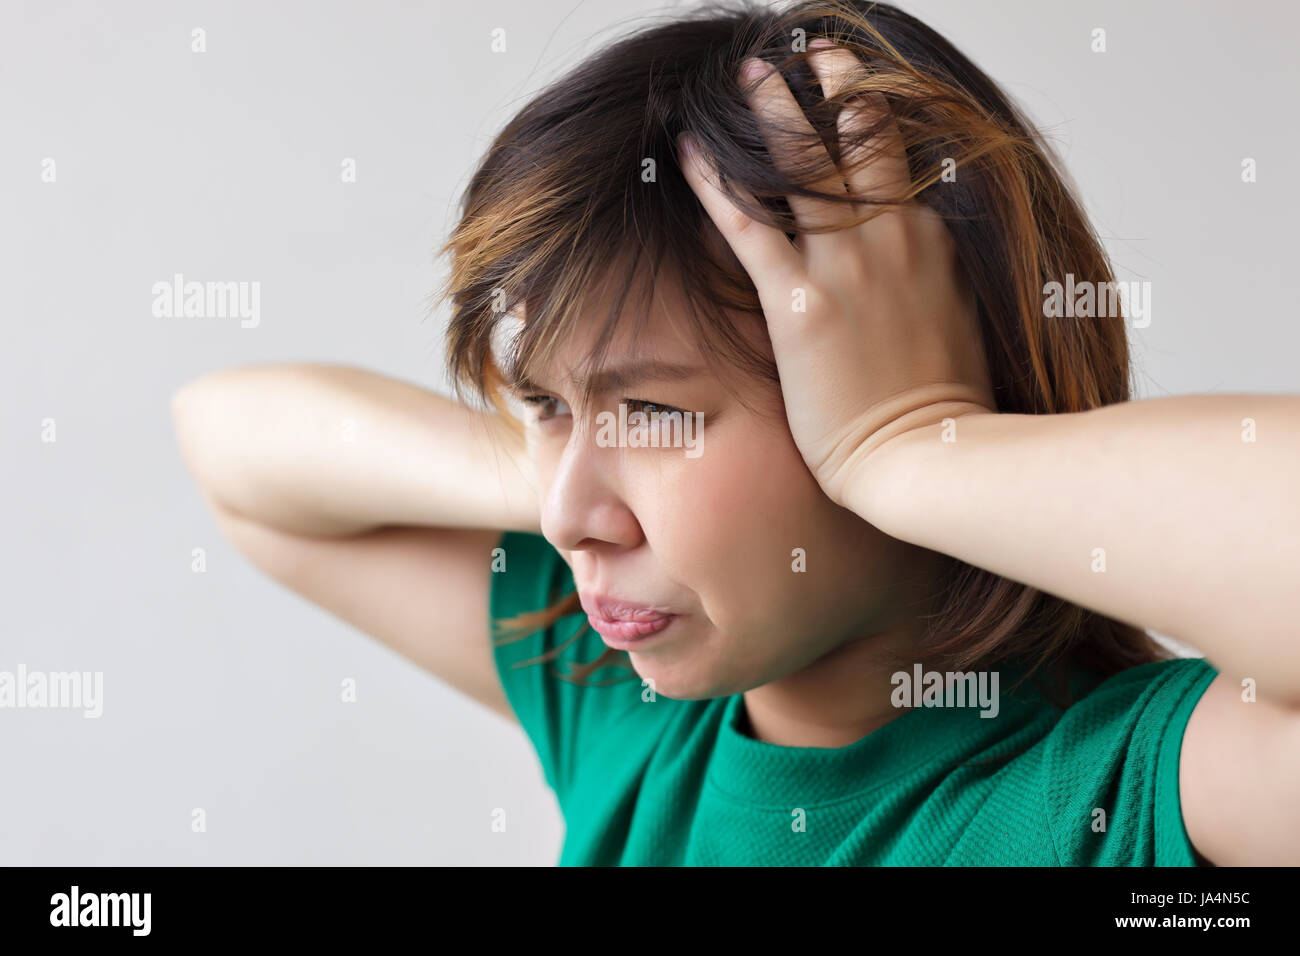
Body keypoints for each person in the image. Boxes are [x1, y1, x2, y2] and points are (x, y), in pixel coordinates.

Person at [171, 0, 1300, 865]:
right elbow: (232, 449)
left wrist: (905, 443)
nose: (568, 517)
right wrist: (559, 460)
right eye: (548, 403)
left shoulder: (1118, 790)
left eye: (656, 411)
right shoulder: (625, 710)